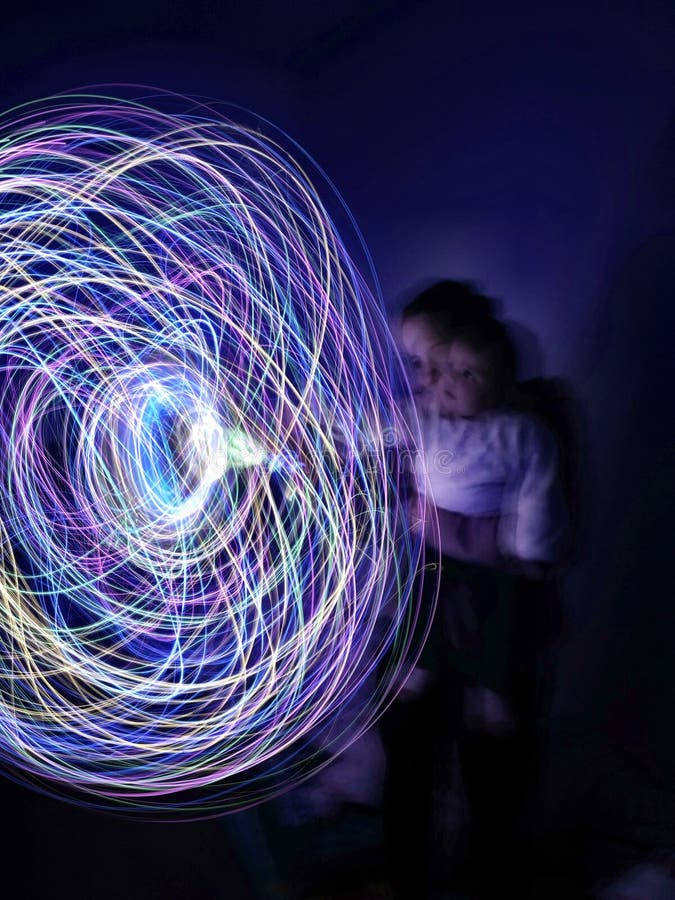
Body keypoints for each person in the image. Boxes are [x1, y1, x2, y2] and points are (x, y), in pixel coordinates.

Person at [383, 282, 567, 898]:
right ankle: (410, 874)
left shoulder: (528, 426)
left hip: (499, 624)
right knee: (410, 754)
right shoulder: (419, 421)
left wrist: (452, 529)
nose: (430, 378)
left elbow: (536, 549)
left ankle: (491, 875)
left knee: (493, 770)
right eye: (416, 365)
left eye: (440, 361)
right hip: (427, 605)